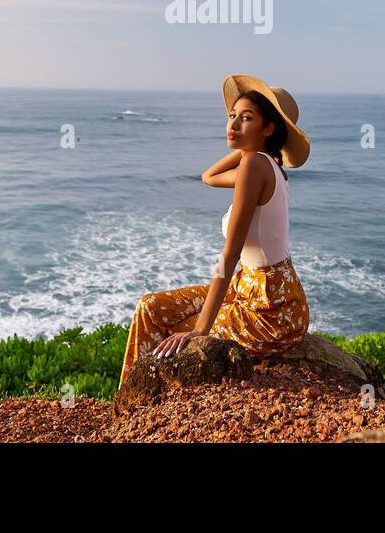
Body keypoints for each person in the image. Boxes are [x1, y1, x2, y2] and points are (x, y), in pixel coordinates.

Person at [117, 73, 311, 391]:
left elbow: (231, 254)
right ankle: (131, 397)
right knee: (150, 307)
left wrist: (201, 330)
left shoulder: (255, 167)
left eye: (246, 118)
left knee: (179, 331)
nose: (232, 124)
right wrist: (247, 143)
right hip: (250, 291)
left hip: (272, 310)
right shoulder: (261, 164)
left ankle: (137, 407)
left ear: (269, 128)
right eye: (232, 116)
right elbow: (209, 176)